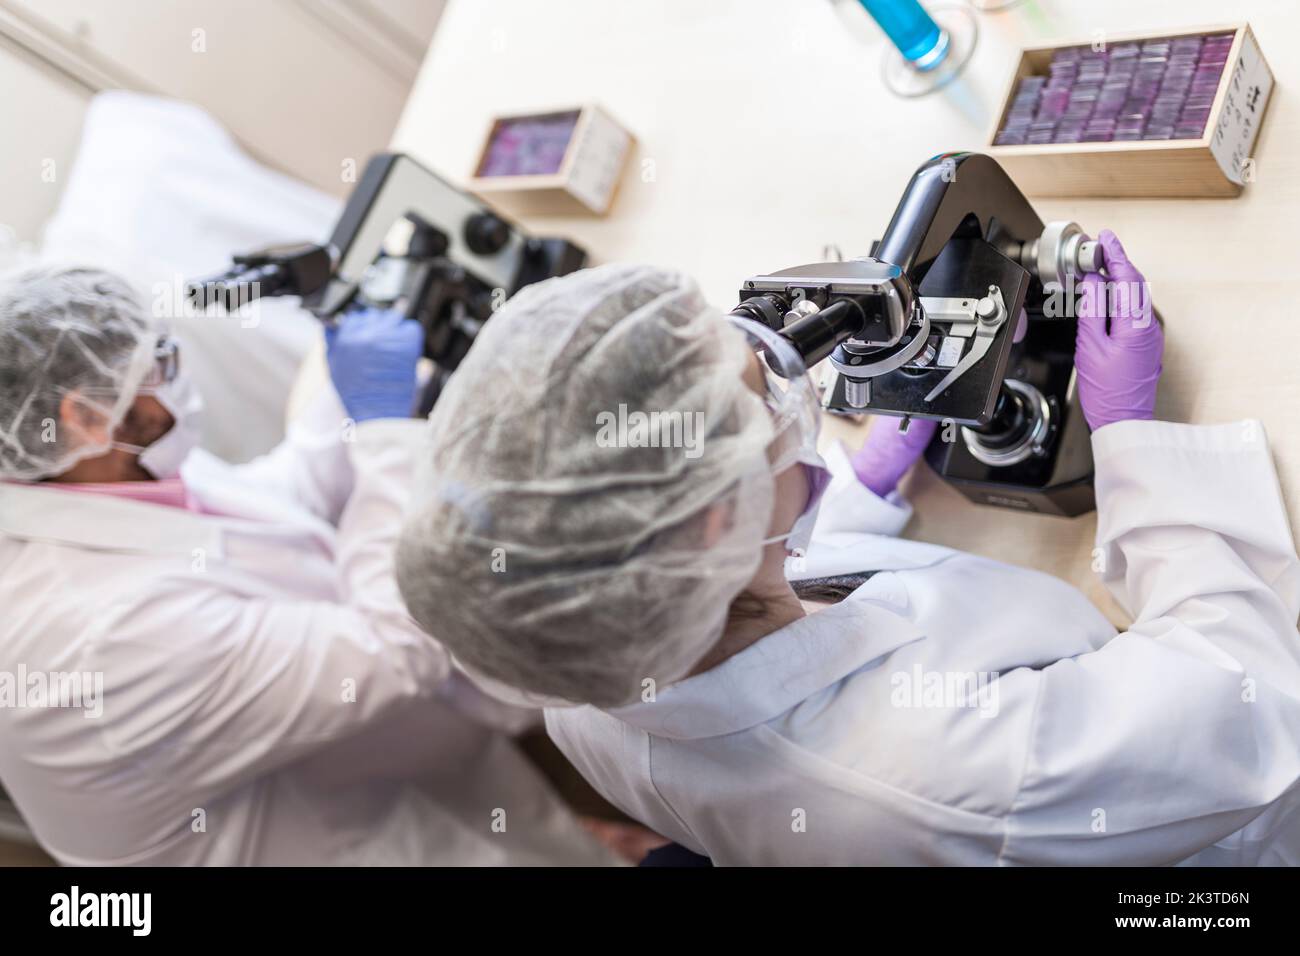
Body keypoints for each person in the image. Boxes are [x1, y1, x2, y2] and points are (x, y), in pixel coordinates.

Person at [395, 236, 1300, 866]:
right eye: (764, 392)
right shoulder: (955, 772)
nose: (796, 381)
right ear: (719, 523)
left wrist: (863, 490)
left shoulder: (581, 679)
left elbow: (739, 597)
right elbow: (1250, 693)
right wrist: (1135, 446)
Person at [0, 265, 614, 866]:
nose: (175, 375)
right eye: (158, 365)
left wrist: (347, 404)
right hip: (339, 837)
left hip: (370, 762)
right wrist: (383, 430)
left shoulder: (91, 473)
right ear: (82, 416)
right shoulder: (103, 637)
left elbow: (271, 510)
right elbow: (399, 648)